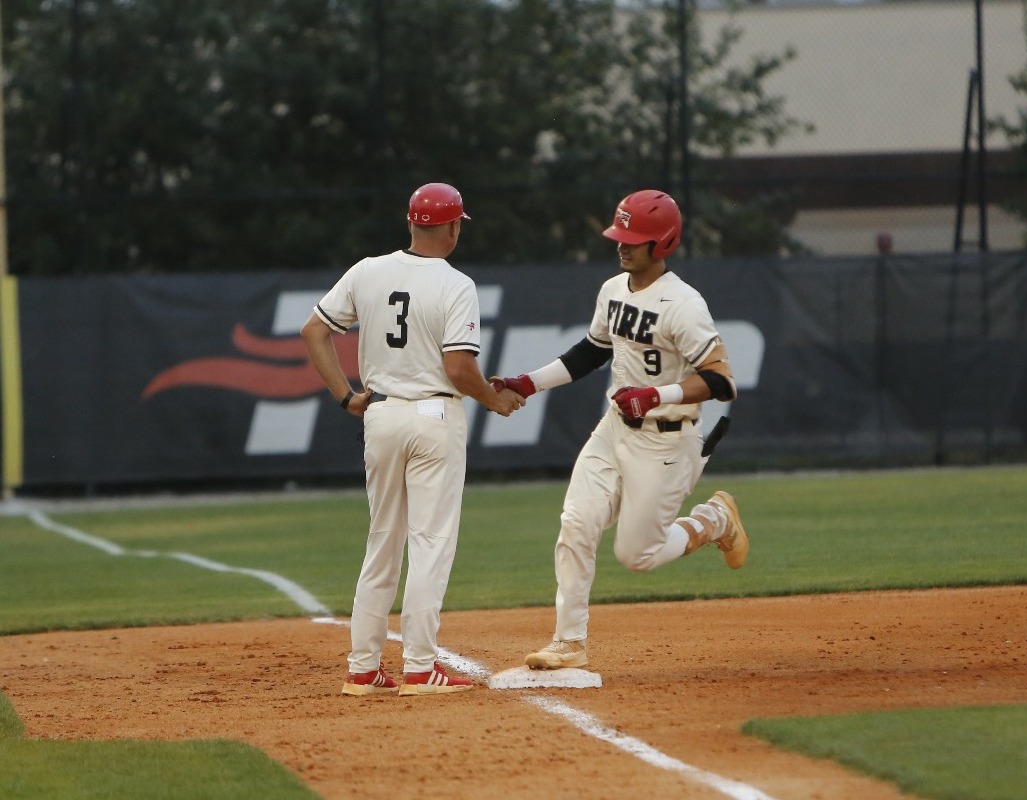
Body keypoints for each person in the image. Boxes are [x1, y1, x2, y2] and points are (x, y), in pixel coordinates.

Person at [492, 189, 749, 670]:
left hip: (668, 441)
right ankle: (569, 642)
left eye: (635, 238)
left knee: (638, 555)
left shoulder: (683, 304)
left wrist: (657, 395)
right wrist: (527, 383)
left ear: (664, 243)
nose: (622, 244)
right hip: (615, 429)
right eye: (620, 234)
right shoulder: (612, 290)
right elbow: (590, 353)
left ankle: (714, 520)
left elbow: (722, 381)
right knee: (575, 523)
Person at [301, 182, 525, 695]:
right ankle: (421, 667)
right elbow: (458, 367)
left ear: (410, 222)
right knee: (430, 544)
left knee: (383, 542)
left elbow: (314, 331)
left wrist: (344, 396)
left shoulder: (367, 270)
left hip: (379, 415)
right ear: (451, 227)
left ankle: (363, 668)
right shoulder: (455, 284)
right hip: (433, 418)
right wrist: (493, 399)